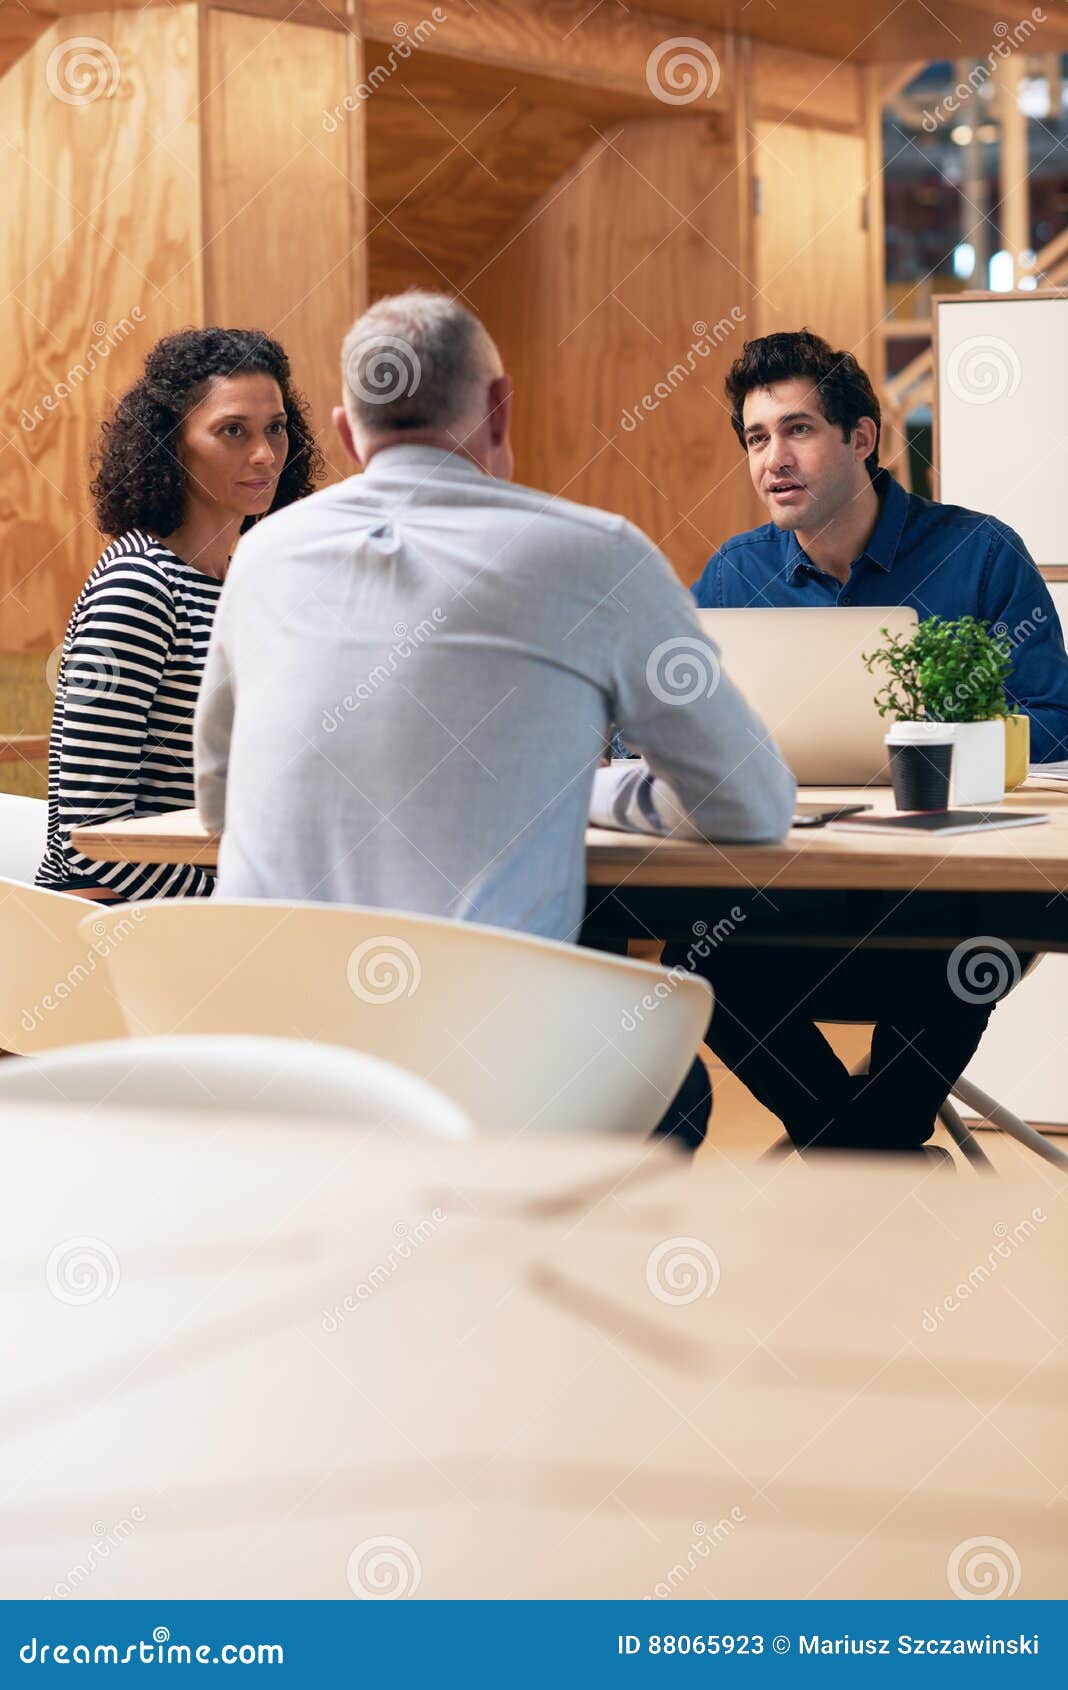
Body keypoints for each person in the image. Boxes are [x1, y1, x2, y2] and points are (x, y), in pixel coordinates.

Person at [194, 290, 796, 1149]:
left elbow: (215, 804)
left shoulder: (262, 555)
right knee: (674, 1089)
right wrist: (596, 791)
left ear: (342, 430)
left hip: (272, 1061)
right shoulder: (596, 552)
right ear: (500, 407)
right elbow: (752, 805)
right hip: (481, 1071)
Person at [666, 328, 1068, 1154]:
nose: (773, 457)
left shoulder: (979, 554)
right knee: (693, 955)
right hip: (796, 896)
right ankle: (872, 1146)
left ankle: (849, 1142)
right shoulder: (735, 578)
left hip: (953, 904)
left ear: (861, 438)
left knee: (981, 939)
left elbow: (1055, 727)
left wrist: (932, 757)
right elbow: (668, 731)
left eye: (798, 429)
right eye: (756, 437)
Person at [37, 328, 323, 902]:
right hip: (113, 914)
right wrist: (235, 899)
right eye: (232, 431)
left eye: (275, 428)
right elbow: (90, 836)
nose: (264, 453)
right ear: (170, 444)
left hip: (207, 902)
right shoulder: (139, 586)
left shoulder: (246, 583)